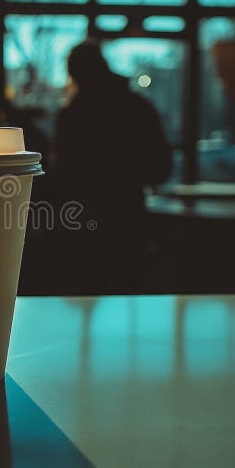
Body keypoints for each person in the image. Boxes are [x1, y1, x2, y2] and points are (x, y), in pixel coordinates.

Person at [55, 40, 173, 292]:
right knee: (129, 297)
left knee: (84, 299)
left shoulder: (74, 115)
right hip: (128, 220)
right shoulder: (137, 107)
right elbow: (162, 167)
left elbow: (64, 175)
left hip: (82, 224)